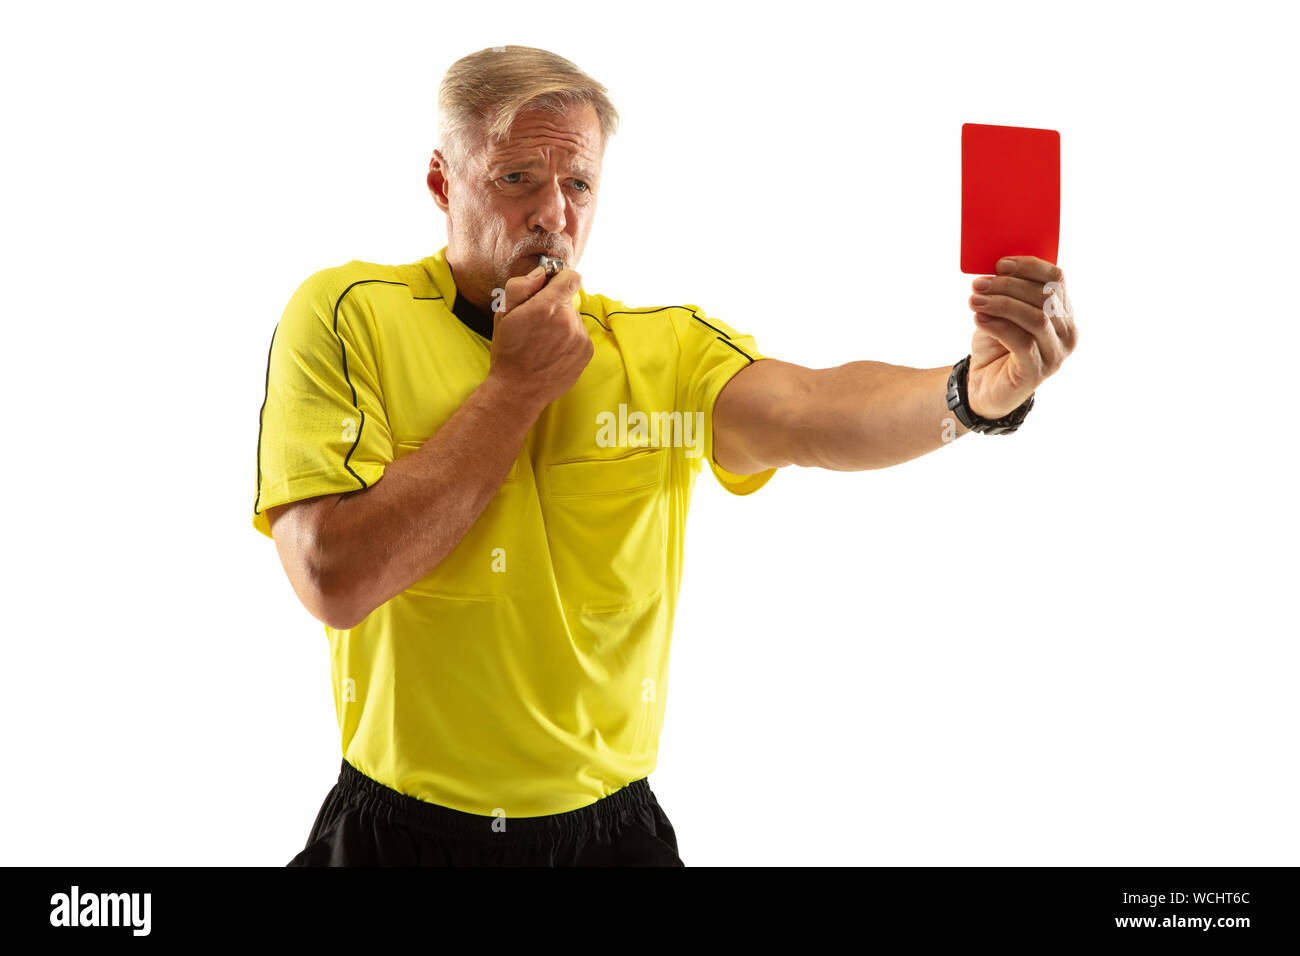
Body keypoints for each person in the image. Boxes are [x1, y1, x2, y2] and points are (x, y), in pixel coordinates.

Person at [252, 45, 1078, 867]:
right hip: (395, 834)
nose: (553, 214)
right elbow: (332, 579)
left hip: (609, 839)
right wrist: (514, 390)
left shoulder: (661, 349)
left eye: (578, 184)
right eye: (516, 178)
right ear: (442, 182)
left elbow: (807, 410)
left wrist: (972, 396)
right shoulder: (345, 313)